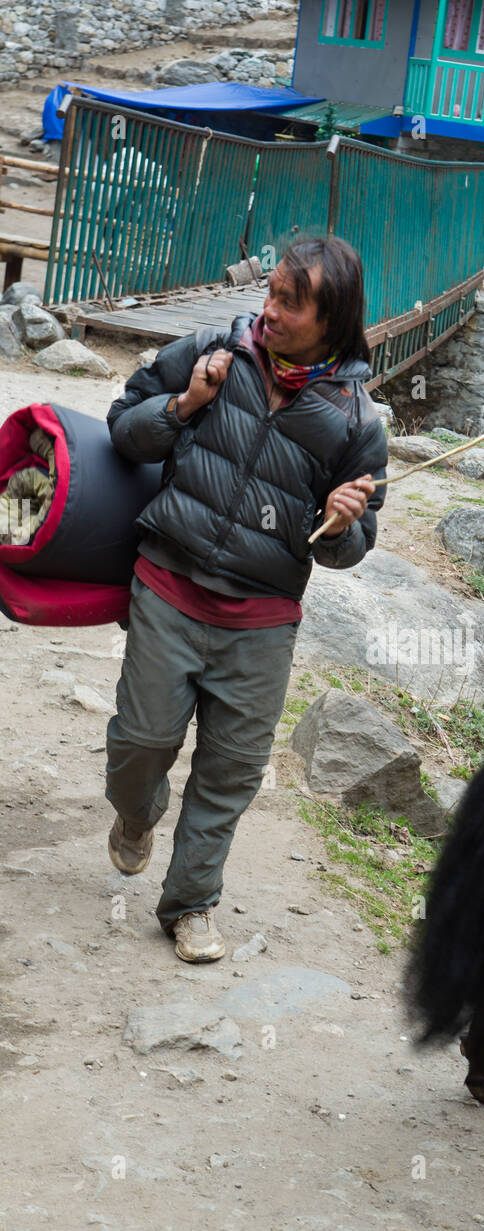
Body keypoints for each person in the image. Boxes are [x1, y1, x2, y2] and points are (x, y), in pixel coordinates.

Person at [104, 235, 388, 963]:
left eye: (290, 305)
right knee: (141, 745)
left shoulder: (356, 423)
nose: (269, 313)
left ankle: (190, 904)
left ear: (333, 319)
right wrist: (184, 403)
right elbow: (125, 429)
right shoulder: (212, 351)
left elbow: (347, 551)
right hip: (169, 585)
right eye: (270, 295)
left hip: (260, 623)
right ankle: (136, 815)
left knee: (228, 774)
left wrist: (341, 520)